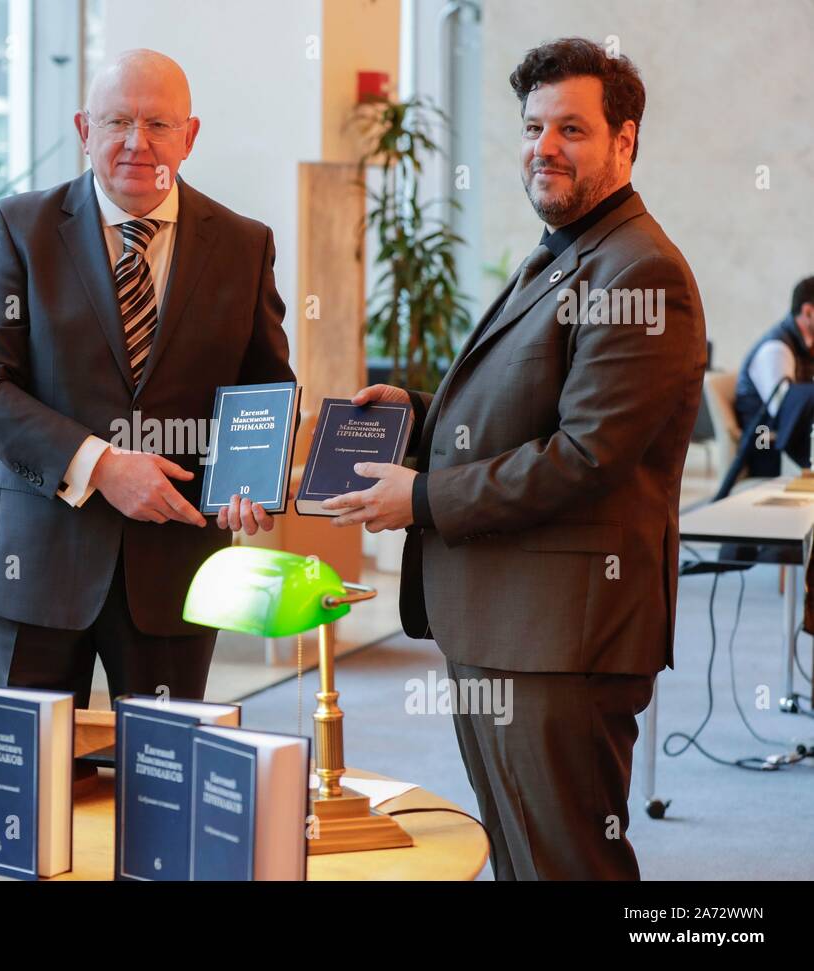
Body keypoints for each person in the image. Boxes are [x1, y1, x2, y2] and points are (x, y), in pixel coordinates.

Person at [322, 37, 707, 879]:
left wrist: (424, 497)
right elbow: (526, 405)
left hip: (562, 642)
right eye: (534, 127)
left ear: (625, 141)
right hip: (507, 628)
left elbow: (585, 456)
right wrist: (421, 415)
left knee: (565, 862)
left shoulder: (641, 270)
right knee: (522, 859)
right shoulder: (566, 251)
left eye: (572, 128)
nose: (544, 147)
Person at [0, 49, 292, 709]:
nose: (137, 142)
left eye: (158, 124)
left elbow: (263, 388)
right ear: (85, 130)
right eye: (117, 122)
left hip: (176, 567)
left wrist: (250, 479)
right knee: (26, 764)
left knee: (164, 764)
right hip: (38, 565)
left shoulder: (244, 244)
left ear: (189, 136)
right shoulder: (21, 229)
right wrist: (100, 465)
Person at [731, 276, 814, 475]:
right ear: (808, 312)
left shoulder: (806, 346)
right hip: (766, 450)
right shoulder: (776, 349)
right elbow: (787, 412)